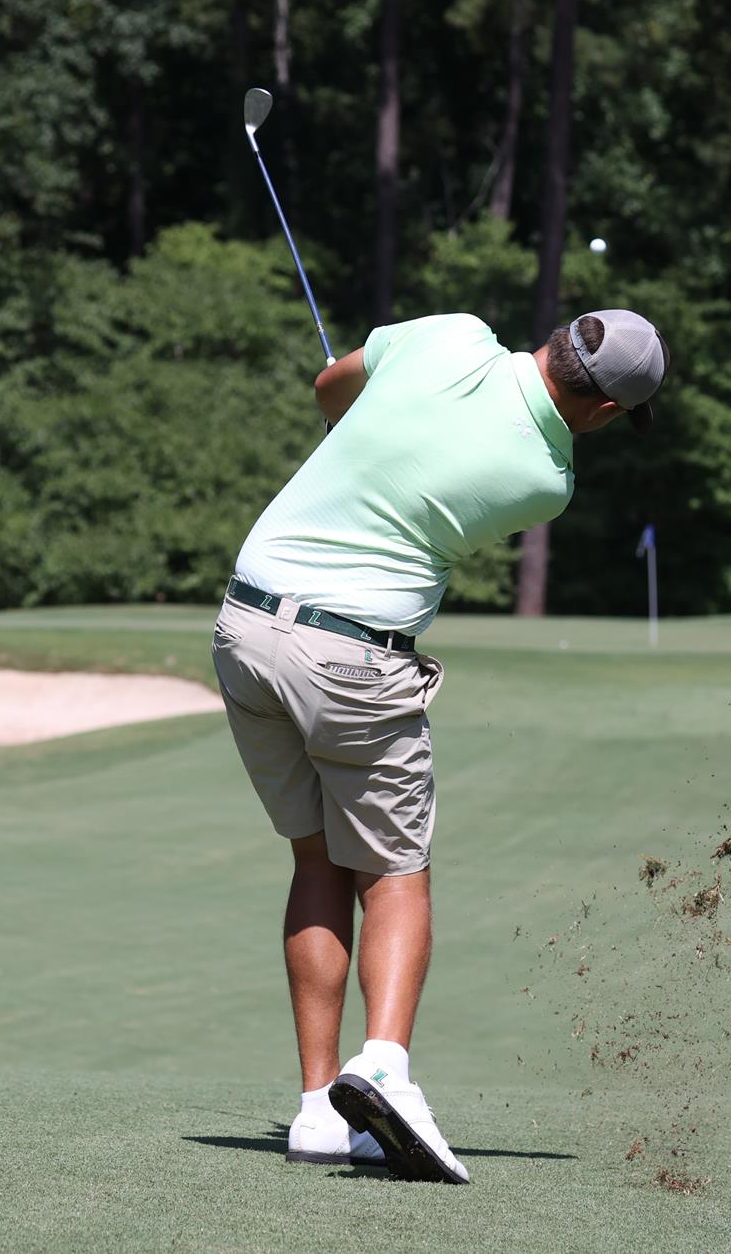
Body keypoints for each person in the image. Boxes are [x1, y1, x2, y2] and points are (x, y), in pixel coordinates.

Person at [210, 309, 669, 1183]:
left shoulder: (452, 333)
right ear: (607, 409)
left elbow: (330, 388)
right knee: (393, 872)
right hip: (350, 657)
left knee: (315, 857)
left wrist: (367, 415)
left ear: (557, 337)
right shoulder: (546, 478)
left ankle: (316, 1111)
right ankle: (384, 1064)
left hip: (245, 627)